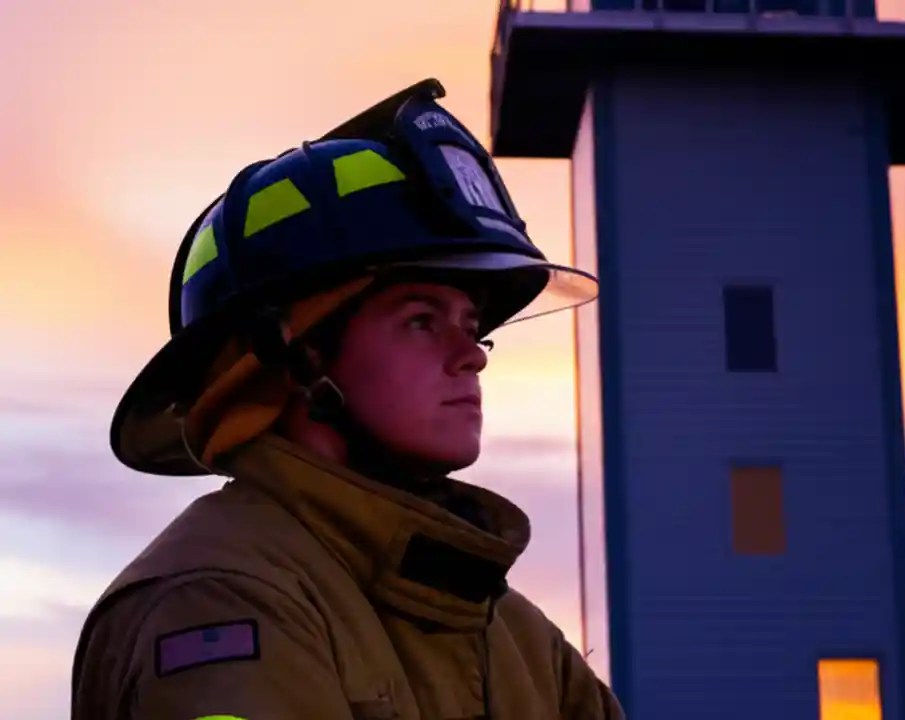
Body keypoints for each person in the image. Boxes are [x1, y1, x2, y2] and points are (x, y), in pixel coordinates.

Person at [71, 78, 624, 720]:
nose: (470, 355)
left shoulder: (516, 634)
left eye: (472, 329)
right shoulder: (218, 602)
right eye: (421, 320)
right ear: (299, 355)